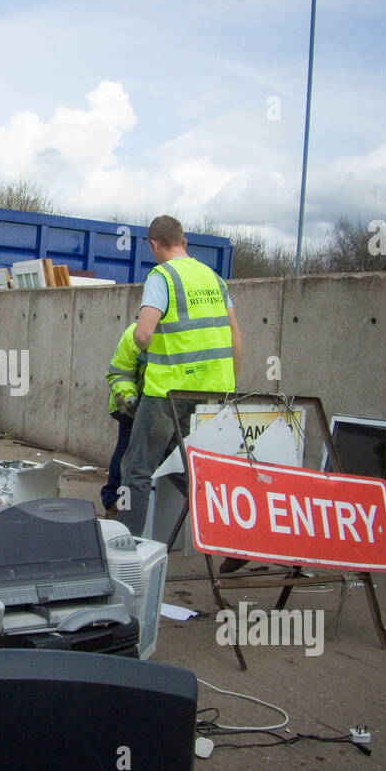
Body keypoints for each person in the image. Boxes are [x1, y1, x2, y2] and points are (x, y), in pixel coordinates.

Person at [118, 215, 242, 538]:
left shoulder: (162, 277)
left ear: (154, 245)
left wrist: (139, 337)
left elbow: (143, 335)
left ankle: (124, 547)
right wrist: (230, 382)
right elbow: (235, 334)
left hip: (167, 394)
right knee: (190, 469)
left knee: (136, 469)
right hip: (212, 392)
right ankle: (232, 536)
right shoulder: (215, 279)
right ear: (184, 243)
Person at [101, 320, 146, 519]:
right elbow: (119, 372)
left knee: (132, 454)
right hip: (129, 406)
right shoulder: (134, 334)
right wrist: (129, 400)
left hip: (150, 405)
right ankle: (114, 502)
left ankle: (122, 502)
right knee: (127, 451)